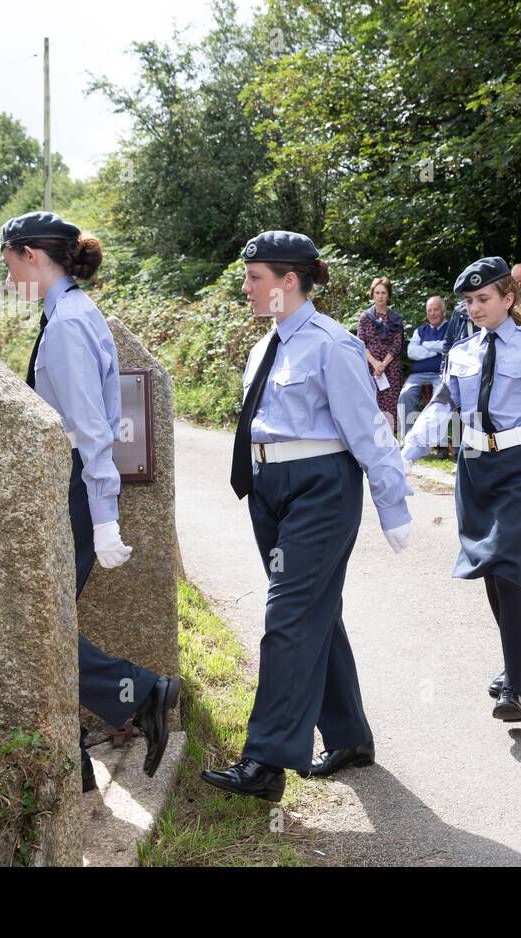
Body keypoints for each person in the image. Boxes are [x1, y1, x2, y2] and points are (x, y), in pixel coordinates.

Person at [202, 230, 412, 802]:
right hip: (269, 488)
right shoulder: (262, 347)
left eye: (254, 278)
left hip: (320, 489)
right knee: (314, 609)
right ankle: (348, 737)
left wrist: (391, 504)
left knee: (287, 617)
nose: (246, 288)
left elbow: (368, 429)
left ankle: (266, 760)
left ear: (287, 281)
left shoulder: (331, 344)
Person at [0, 211, 180, 793]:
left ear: (32, 255)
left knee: (38, 622)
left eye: (9, 266)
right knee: (42, 619)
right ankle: (84, 752)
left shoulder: (71, 323)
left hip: (77, 486)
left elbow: (92, 432)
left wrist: (103, 518)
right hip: (70, 485)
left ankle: (142, 691)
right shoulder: (68, 315)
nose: (8, 281)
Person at [402, 257, 521, 722]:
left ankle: (511, 685)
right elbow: (441, 408)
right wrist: (405, 452)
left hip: (517, 467)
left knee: (507, 567)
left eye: (483, 299)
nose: (474, 308)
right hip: (473, 469)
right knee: (488, 567)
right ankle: (520, 659)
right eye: (468, 301)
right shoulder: (463, 351)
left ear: (509, 299)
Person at [397, 295, 450, 436]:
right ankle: (406, 439)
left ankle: (440, 443)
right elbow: (411, 352)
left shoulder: (451, 328)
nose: (432, 313)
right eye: (429, 311)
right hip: (418, 375)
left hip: (441, 373)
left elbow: (447, 346)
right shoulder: (420, 331)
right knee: (405, 394)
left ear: (443, 312)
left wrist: (426, 345)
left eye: (436, 310)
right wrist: (436, 350)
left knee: (440, 397)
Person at [357, 276, 404, 431]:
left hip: (391, 367)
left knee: (391, 402)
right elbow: (361, 343)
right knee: (372, 401)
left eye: (383, 293)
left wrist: (383, 364)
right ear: (372, 295)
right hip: (371, 367)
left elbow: (397, 344)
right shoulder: (365, 318)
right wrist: (375, 363)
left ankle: (391, 436)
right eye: (377, 293)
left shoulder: (395, 319)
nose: (380, 296)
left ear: (388, 295)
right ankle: (373, 436)